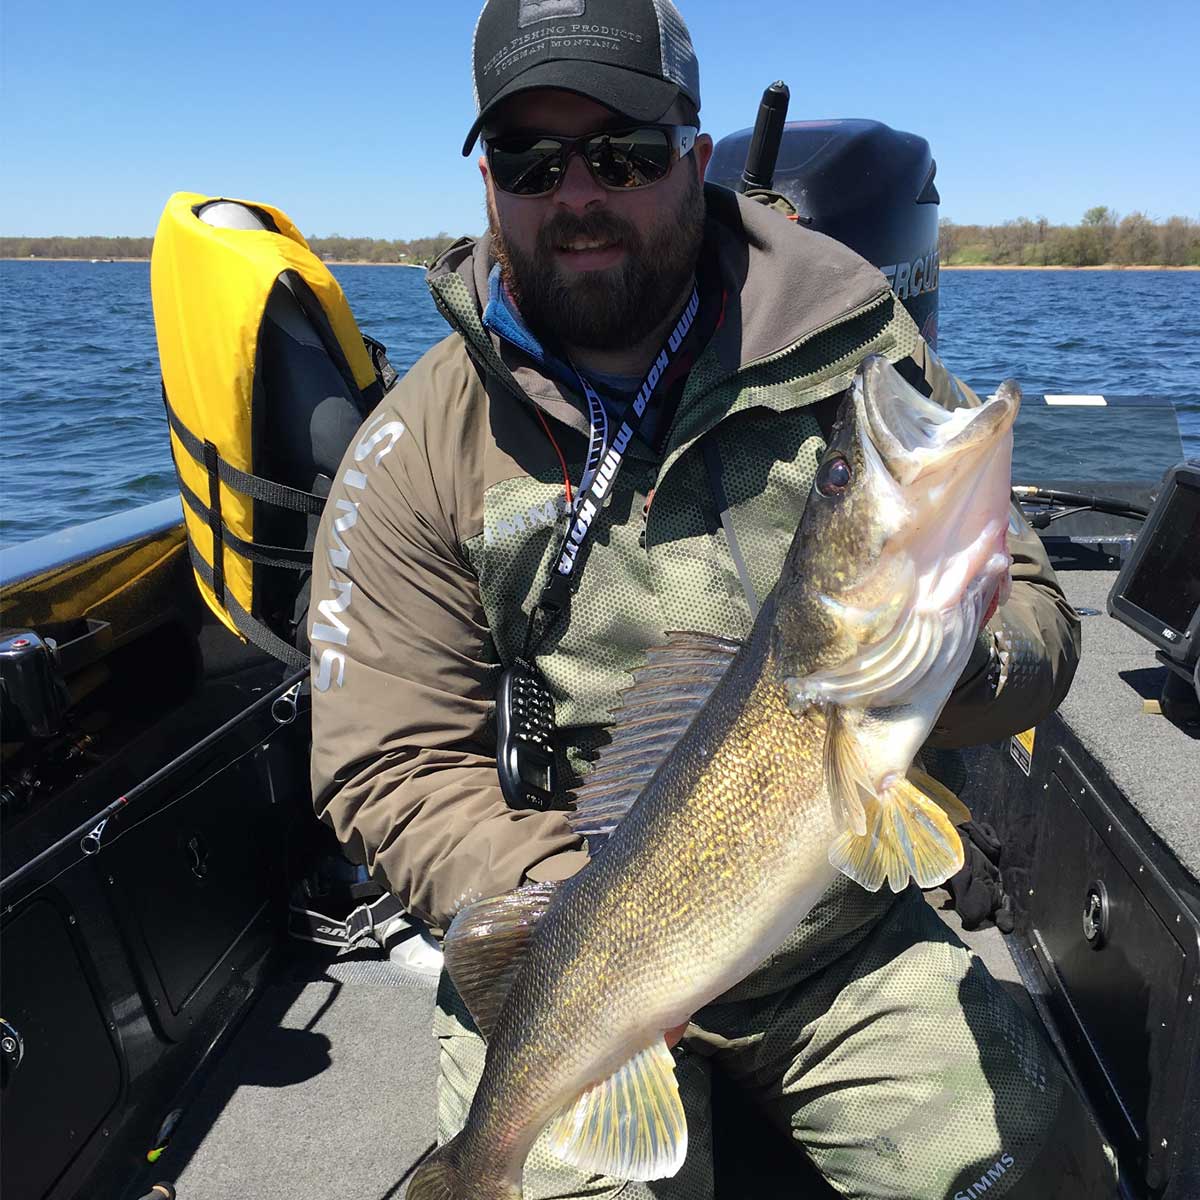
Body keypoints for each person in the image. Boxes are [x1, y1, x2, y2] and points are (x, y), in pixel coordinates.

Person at [308, 1, 1118, 1194]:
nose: (577, 192)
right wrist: (557, 908)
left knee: (1023, 1169)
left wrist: (952, 658)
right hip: (567, 918)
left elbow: (1039, 627)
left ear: (694, 155)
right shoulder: (418, 446)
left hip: (831, 932)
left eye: (624, 153)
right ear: (490, 185)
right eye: (534, 161)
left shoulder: (850, 339)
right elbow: (389, 758)